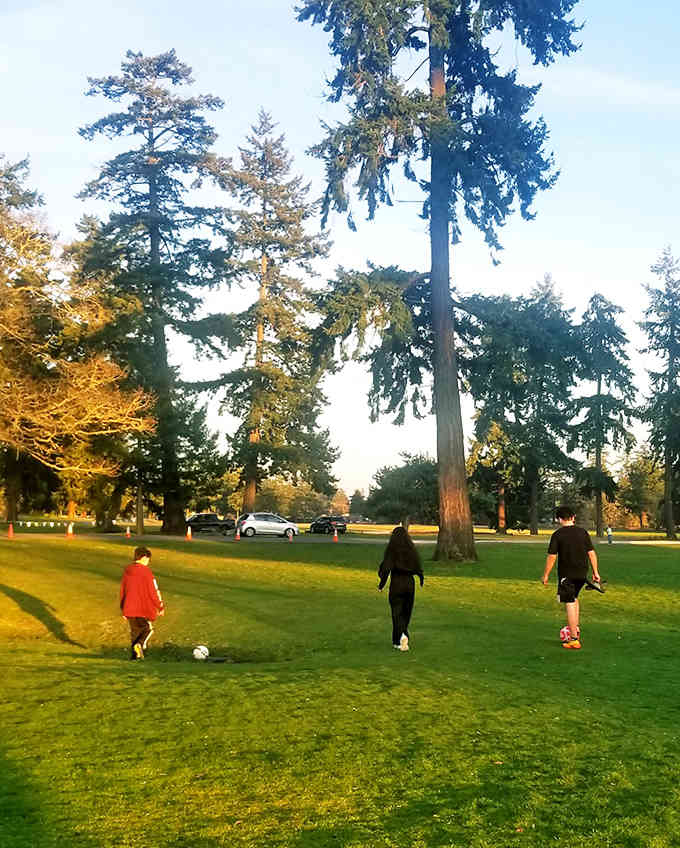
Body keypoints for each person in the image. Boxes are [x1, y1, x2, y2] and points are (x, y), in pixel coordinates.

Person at [542, 506, 600, 650]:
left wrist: (546, 574)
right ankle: (575, 629)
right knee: (574, 599)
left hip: (566, 574)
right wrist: (596, 572)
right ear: (573, 517)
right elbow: (591, 553)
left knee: (569, 602)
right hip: (582, 573)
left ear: (559, 519)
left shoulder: (557, 535)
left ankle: (573, 639)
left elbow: (552, 556)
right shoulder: (583, 532)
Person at [378, 526, 424, 652]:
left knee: (396, 612)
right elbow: (417, 565)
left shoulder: (392, 550)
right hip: (409, 583)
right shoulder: (411, 550)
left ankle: (401, 636)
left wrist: (381, 584)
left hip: (397, 583)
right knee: (406, 612)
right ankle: (397, 639)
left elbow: (386, 568)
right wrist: (421, 578)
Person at [119, 546, 165, 660]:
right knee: (147, 629)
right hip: (142, 608)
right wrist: (160, 606)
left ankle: (135, 657)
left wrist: (123, 608)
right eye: (148, 559)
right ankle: (139, 645)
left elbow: (122, 590)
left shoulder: (127, 571)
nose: (148, 562)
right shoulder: (146, 572)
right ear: (144, 557)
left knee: (135, 632)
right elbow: (153, 591)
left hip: (129, 608)